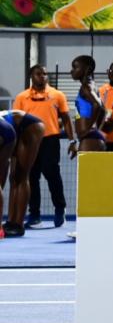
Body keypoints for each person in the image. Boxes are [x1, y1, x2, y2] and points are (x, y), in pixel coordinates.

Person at [14, 65, 73, 228]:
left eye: (45, 74)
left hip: (50, 140)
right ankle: (34, 215)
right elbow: (16, 121)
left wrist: (72, 141)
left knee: (52, 173)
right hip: (29, 141)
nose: (42, 76)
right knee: (31, 177)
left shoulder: (58, 95)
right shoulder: (21, 97)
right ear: (31, 76)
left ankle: (60, 208)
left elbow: (67, 119)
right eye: (38, 74)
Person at [0, 110, 44, 238]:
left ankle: (18, 225)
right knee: (13, 177)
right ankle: (10, 222)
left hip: (29, 126)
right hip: (10, 130)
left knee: (20, 176)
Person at [70, 55, 106, 154]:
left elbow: (97, 105)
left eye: (75, 67)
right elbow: (103, 110)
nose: (71, 71)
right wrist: (97, 129)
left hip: (89, 139)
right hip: (91, 138)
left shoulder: (86, 87)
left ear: (87, 69)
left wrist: (87, 129)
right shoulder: (92, 85)